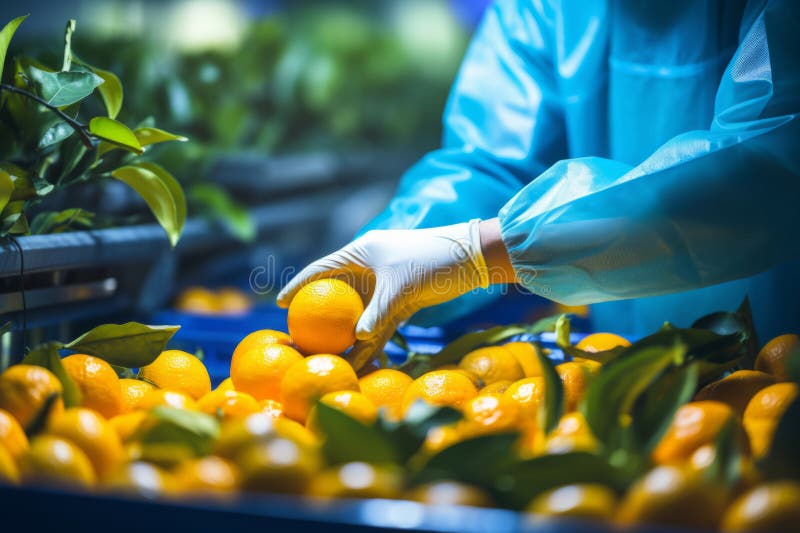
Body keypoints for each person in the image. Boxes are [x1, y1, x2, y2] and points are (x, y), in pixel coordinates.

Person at [278, 0, 800, 368]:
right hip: (621, 366)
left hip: (780, 364)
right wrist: (397, 251)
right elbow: (489, 164)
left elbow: (765, 164)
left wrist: (480, 251)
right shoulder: (546, 8)